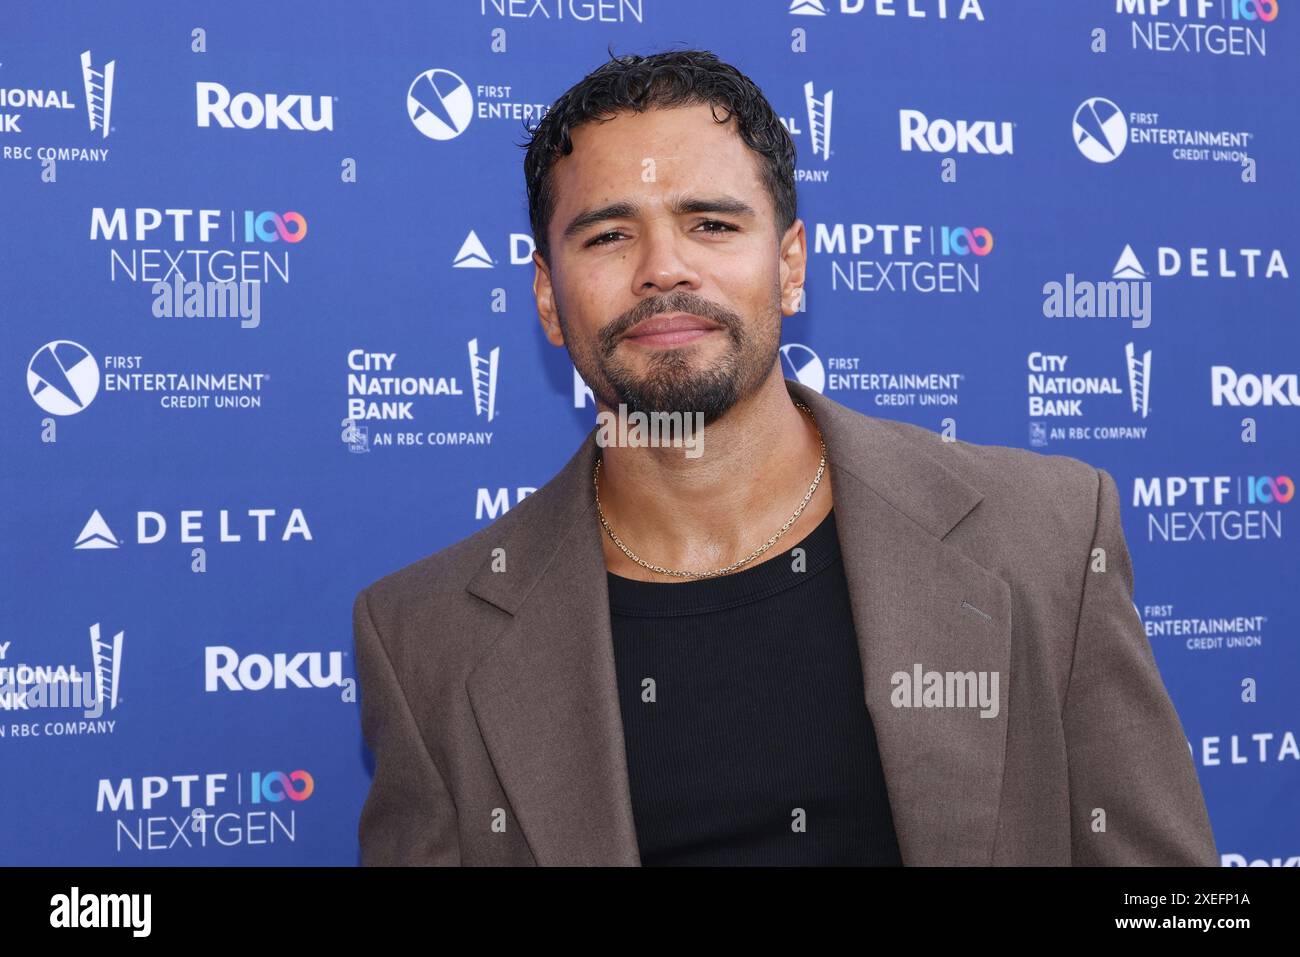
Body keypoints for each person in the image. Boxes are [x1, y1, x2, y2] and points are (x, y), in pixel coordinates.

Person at [352, 49, 1218, 866]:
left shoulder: (1050, 538)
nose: (665, 267)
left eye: (712, 223)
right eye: (609, 236)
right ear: (547, 298)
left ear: (791, 264)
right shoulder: (425, 640)